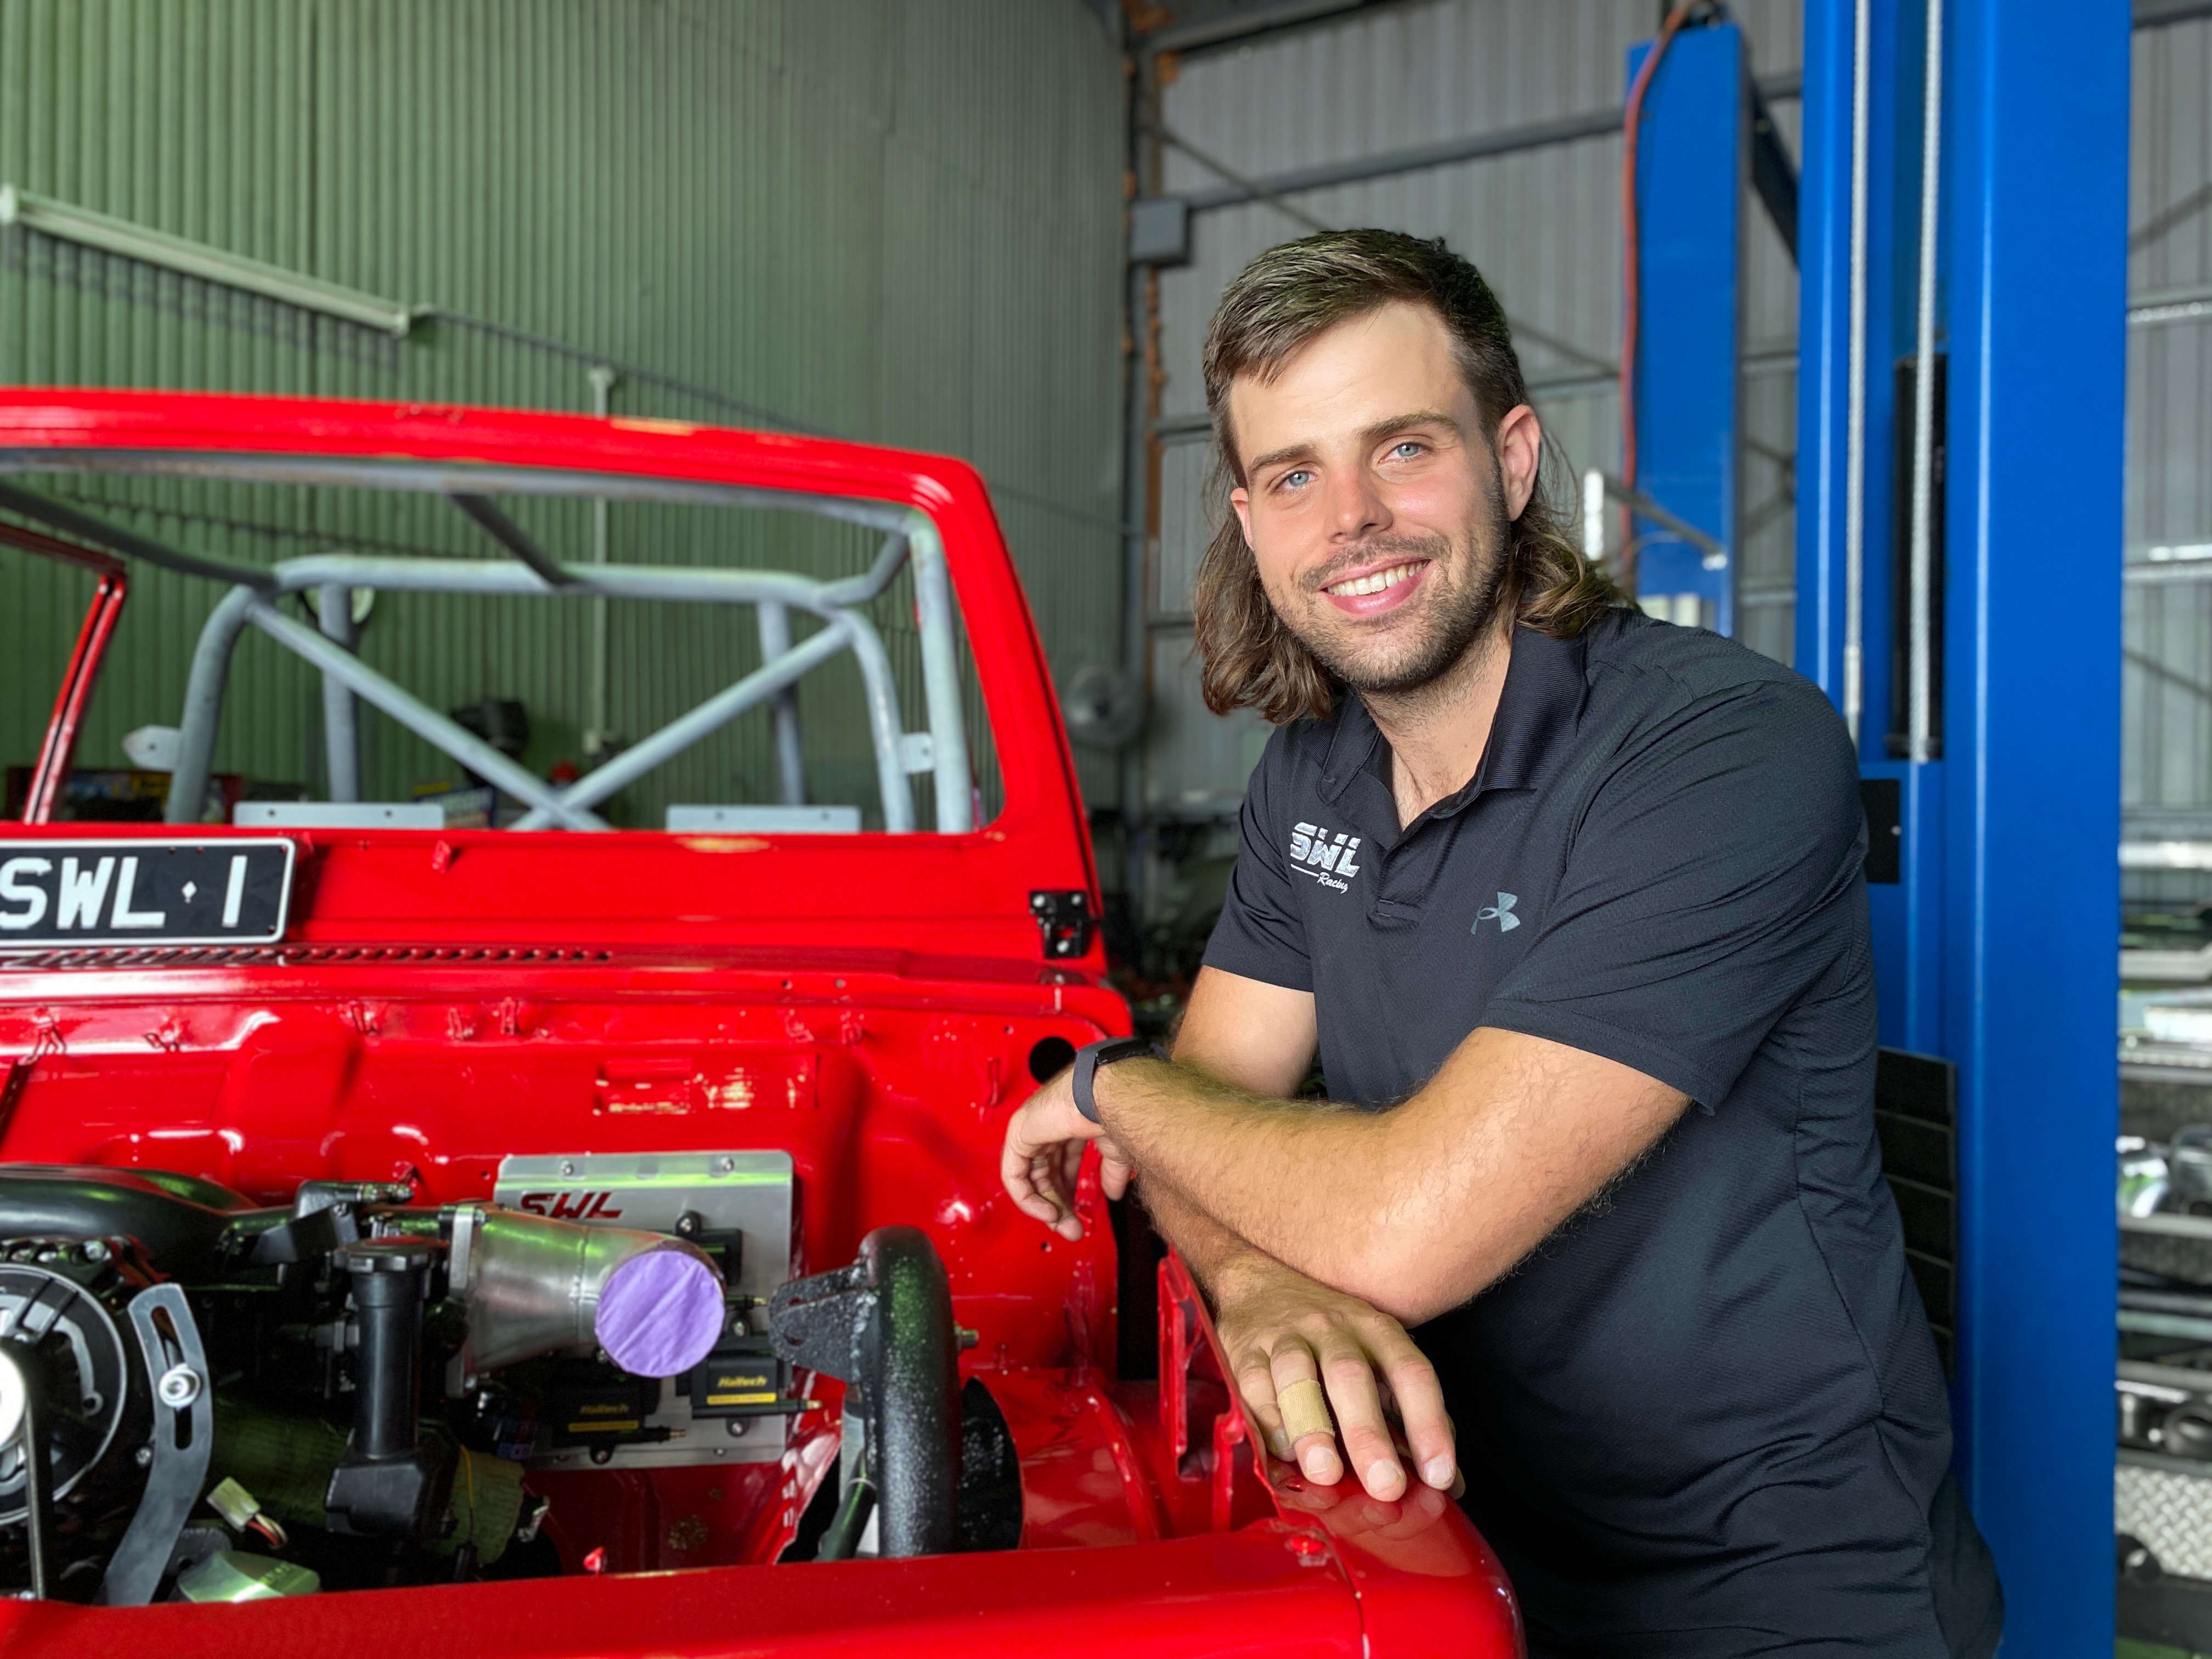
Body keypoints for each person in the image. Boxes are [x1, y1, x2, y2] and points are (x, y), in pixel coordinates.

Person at [999, 230, 2002, 1657]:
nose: (1351, 517)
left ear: (1513, 460)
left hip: (1780, 1579)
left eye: (1403, 449)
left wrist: (1113, 1085)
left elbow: (1396, 1222)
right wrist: (1263, 1282)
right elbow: (1218, 1118)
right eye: (1294, 475)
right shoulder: (1308, 780)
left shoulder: (1718, 751)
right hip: (1456, 1542)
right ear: (1250, 520)